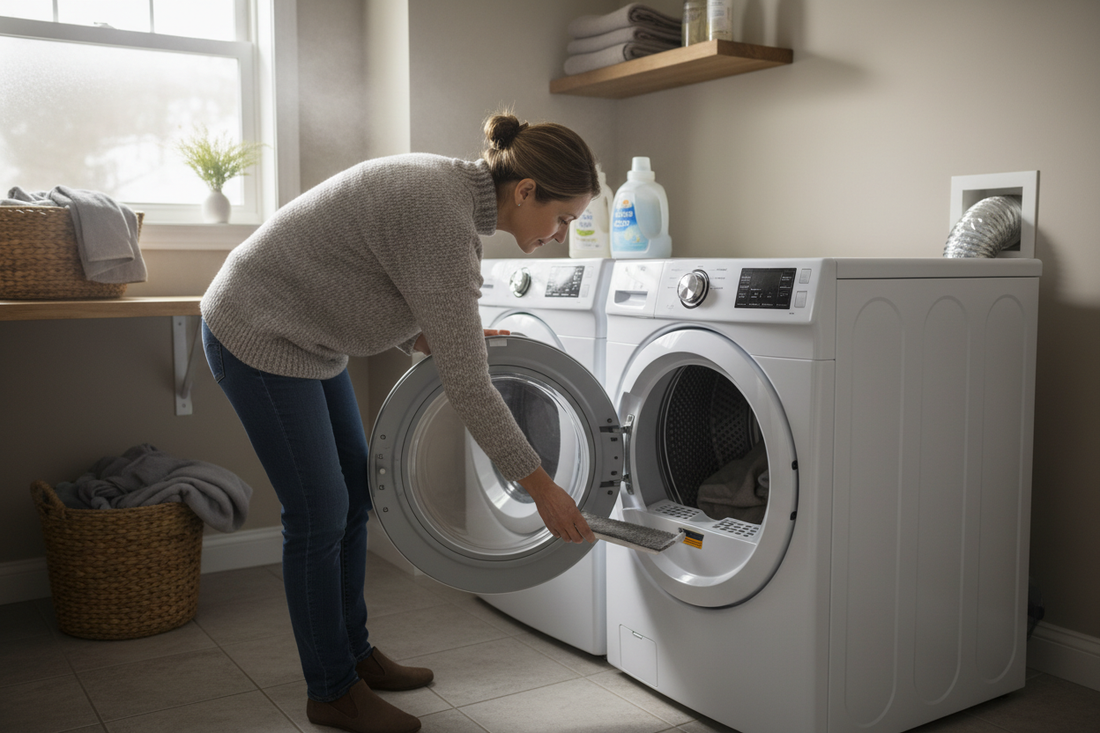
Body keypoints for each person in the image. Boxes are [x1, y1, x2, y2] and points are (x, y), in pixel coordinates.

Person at [199, 112, 601, 733]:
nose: (560, 234)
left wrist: (434, 335)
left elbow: (363, 270)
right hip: (257, 330)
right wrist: (541, 486)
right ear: (526, 191)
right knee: (318, 513)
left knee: (354, 494)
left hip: (307, 336)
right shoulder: (441, 216)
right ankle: (331, 691)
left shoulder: (448, 198)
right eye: (564, 218)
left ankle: (354, 656)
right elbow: (470, 386)